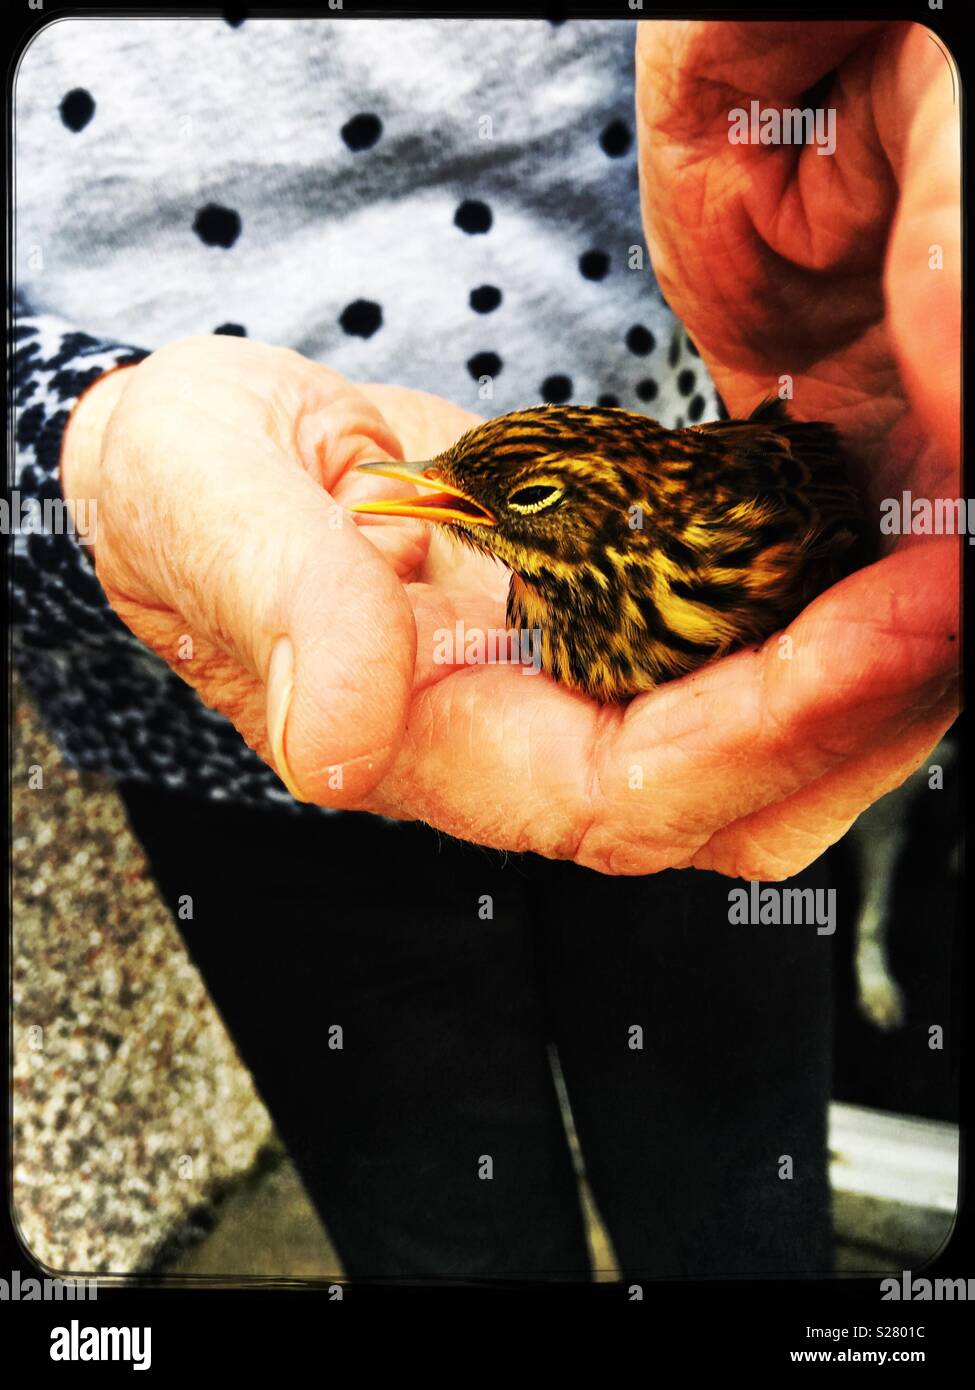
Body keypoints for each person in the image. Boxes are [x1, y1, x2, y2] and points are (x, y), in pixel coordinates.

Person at [13, 17, 959, 1279]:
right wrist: (81, 440)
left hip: (711, 631)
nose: (421, 497)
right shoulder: (534, 569)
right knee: (438, 1237)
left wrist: (877, 111)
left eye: (507, 505)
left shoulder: (733, 546)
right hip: (226, 742)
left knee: (736, 1206)